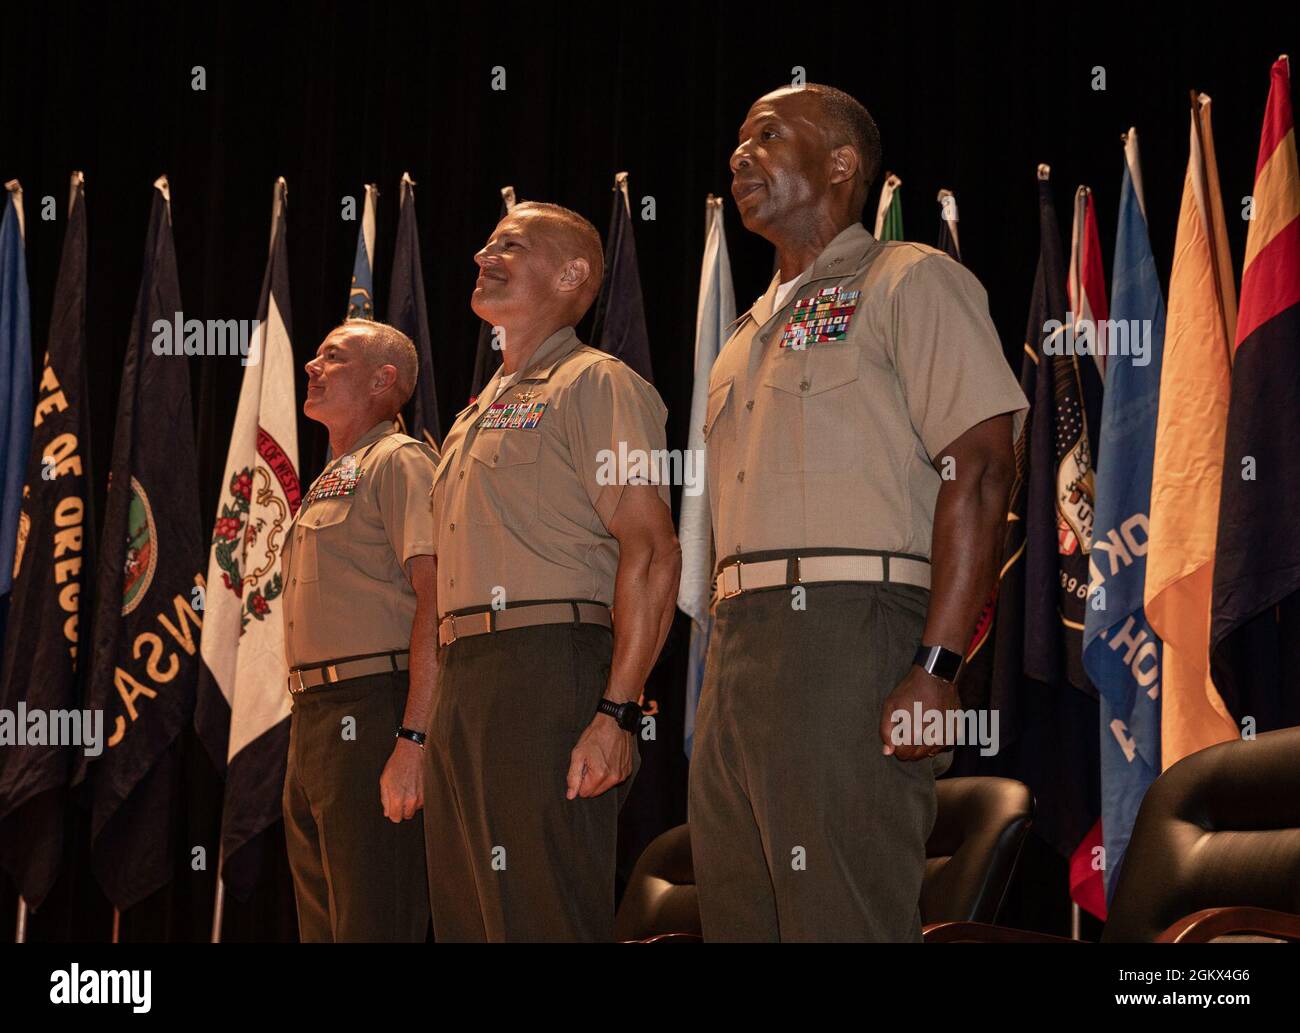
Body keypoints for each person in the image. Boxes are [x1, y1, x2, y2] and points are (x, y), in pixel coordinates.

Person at [689, 83, 1029, 941]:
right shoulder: (741, 334)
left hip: (851, 634)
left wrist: (939, 665)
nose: (740, 156)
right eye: (737, 139)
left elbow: (984, 469)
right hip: (735, 646)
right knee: (739, 914)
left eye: (766, 135)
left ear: (842, 163)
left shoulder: (910, 279)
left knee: (839, 913)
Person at [424, 202, 680, 941]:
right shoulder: (476, 412)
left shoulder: (598, 383)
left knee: (537, 918)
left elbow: (656, 552)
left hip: (547, 668)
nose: (483, 253)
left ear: (572, 274)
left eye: (510, 243)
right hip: (463, 675)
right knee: (469, 917)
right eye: (486, 239)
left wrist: (618, 713)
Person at [280, 319, 438, 942]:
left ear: (382, 379)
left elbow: (438, 598)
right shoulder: (331, 475)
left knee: (375, 921)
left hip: (374, 710)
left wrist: (413, 738)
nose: (312, 367)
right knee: (325, 926)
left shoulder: (398, 461)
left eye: (332, 357)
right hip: (313, 715)